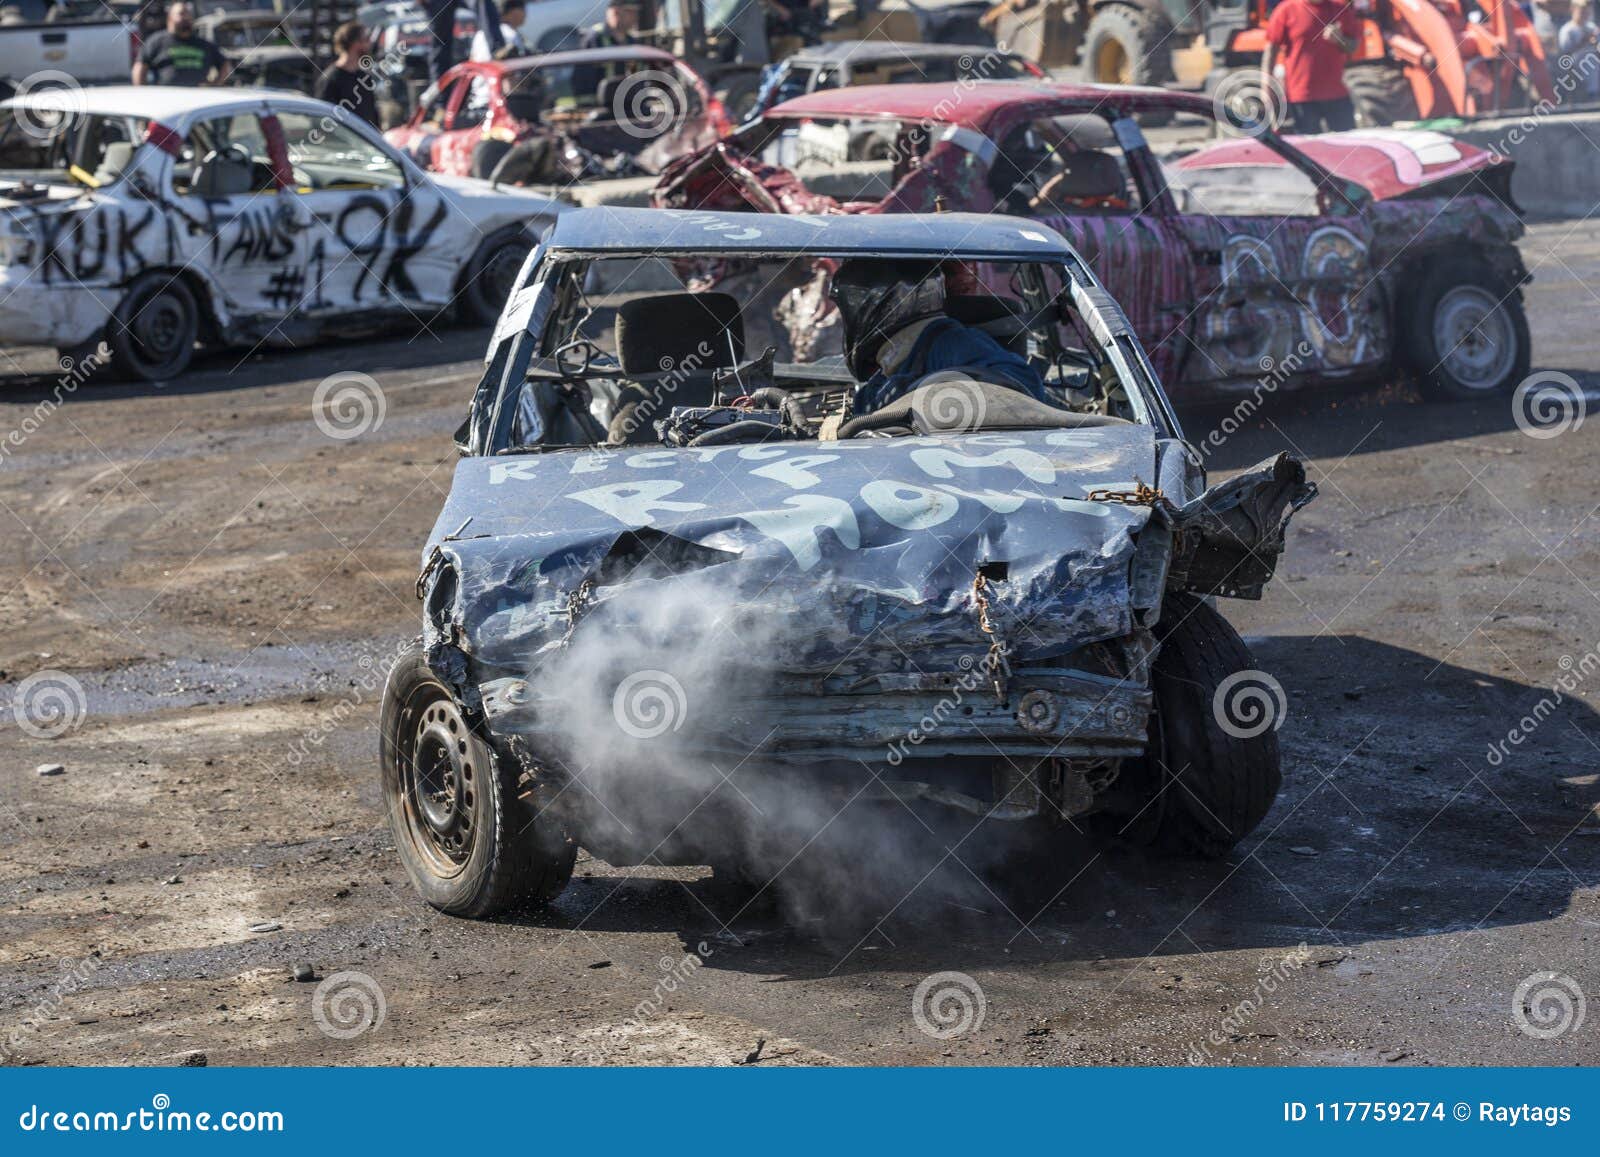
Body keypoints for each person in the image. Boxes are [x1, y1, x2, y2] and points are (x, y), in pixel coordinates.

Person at [828, 260, 1047, 416]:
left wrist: (924, 393)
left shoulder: (952, 342)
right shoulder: (893, 365)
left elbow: (1023, 384)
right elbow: (867, 407)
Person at [1261, 0, 1361, 133]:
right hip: (1301, 97)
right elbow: (1270, 51)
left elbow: (1353, 47)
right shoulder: (1286, 10)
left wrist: (1339, 38)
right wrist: (1266, 85)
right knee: (1307, 144)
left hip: (1337, 95)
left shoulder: (1340, 9)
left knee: (1346, 142)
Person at [132, 1, 229, 86]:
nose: (187, 17)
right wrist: (144, 93)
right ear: (170, 17)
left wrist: (216, 84)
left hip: (199, 97)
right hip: (166, 96)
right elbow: (139, 67)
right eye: (181, 14)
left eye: (189, 14)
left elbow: (224, 65)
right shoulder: (156, 41)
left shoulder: (204, 44)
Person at [314, 21, 381, 127]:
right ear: (354, 43)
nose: (370, 44)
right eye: (366, 39)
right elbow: (323, 120)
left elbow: (372, 116)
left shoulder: (364, 78)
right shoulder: (330, 79)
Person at [1559, 0, 1600, 102]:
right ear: (1573, 10)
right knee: (1589, 60)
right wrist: (1584, 41)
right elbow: (1565, 52)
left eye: (1587, 11)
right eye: (1582, 11)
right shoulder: (1568, 29)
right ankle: (1593, 95)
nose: (1585, 14)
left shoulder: (1591, 26)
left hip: (1593, 61)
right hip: (1574, 64)